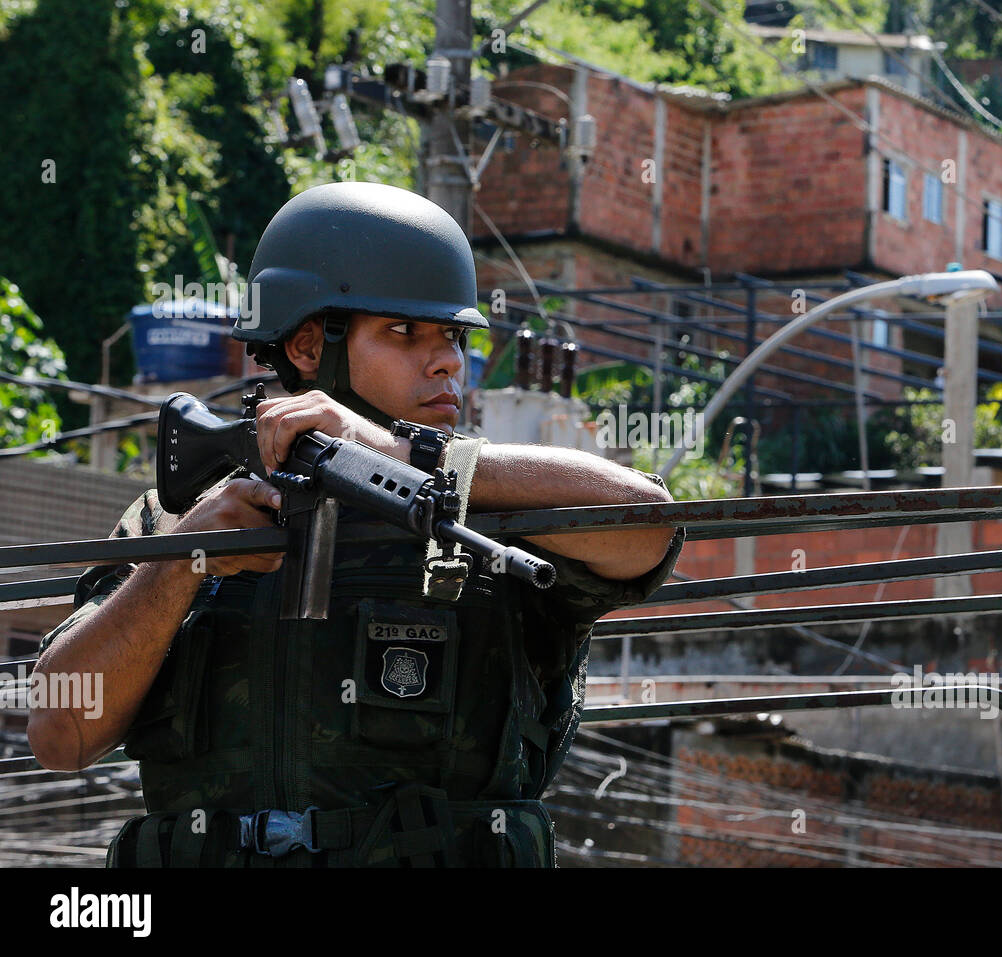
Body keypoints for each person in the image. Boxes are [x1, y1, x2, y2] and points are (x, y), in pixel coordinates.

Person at [27, 181, 684, 867]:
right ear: (309, 346)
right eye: (405, 331)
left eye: (455, 337)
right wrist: (182, 560)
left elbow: (648, 526)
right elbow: (60, 733)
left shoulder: (492, 503)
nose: (447, 361)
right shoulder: (175, 516)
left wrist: (406, 456)